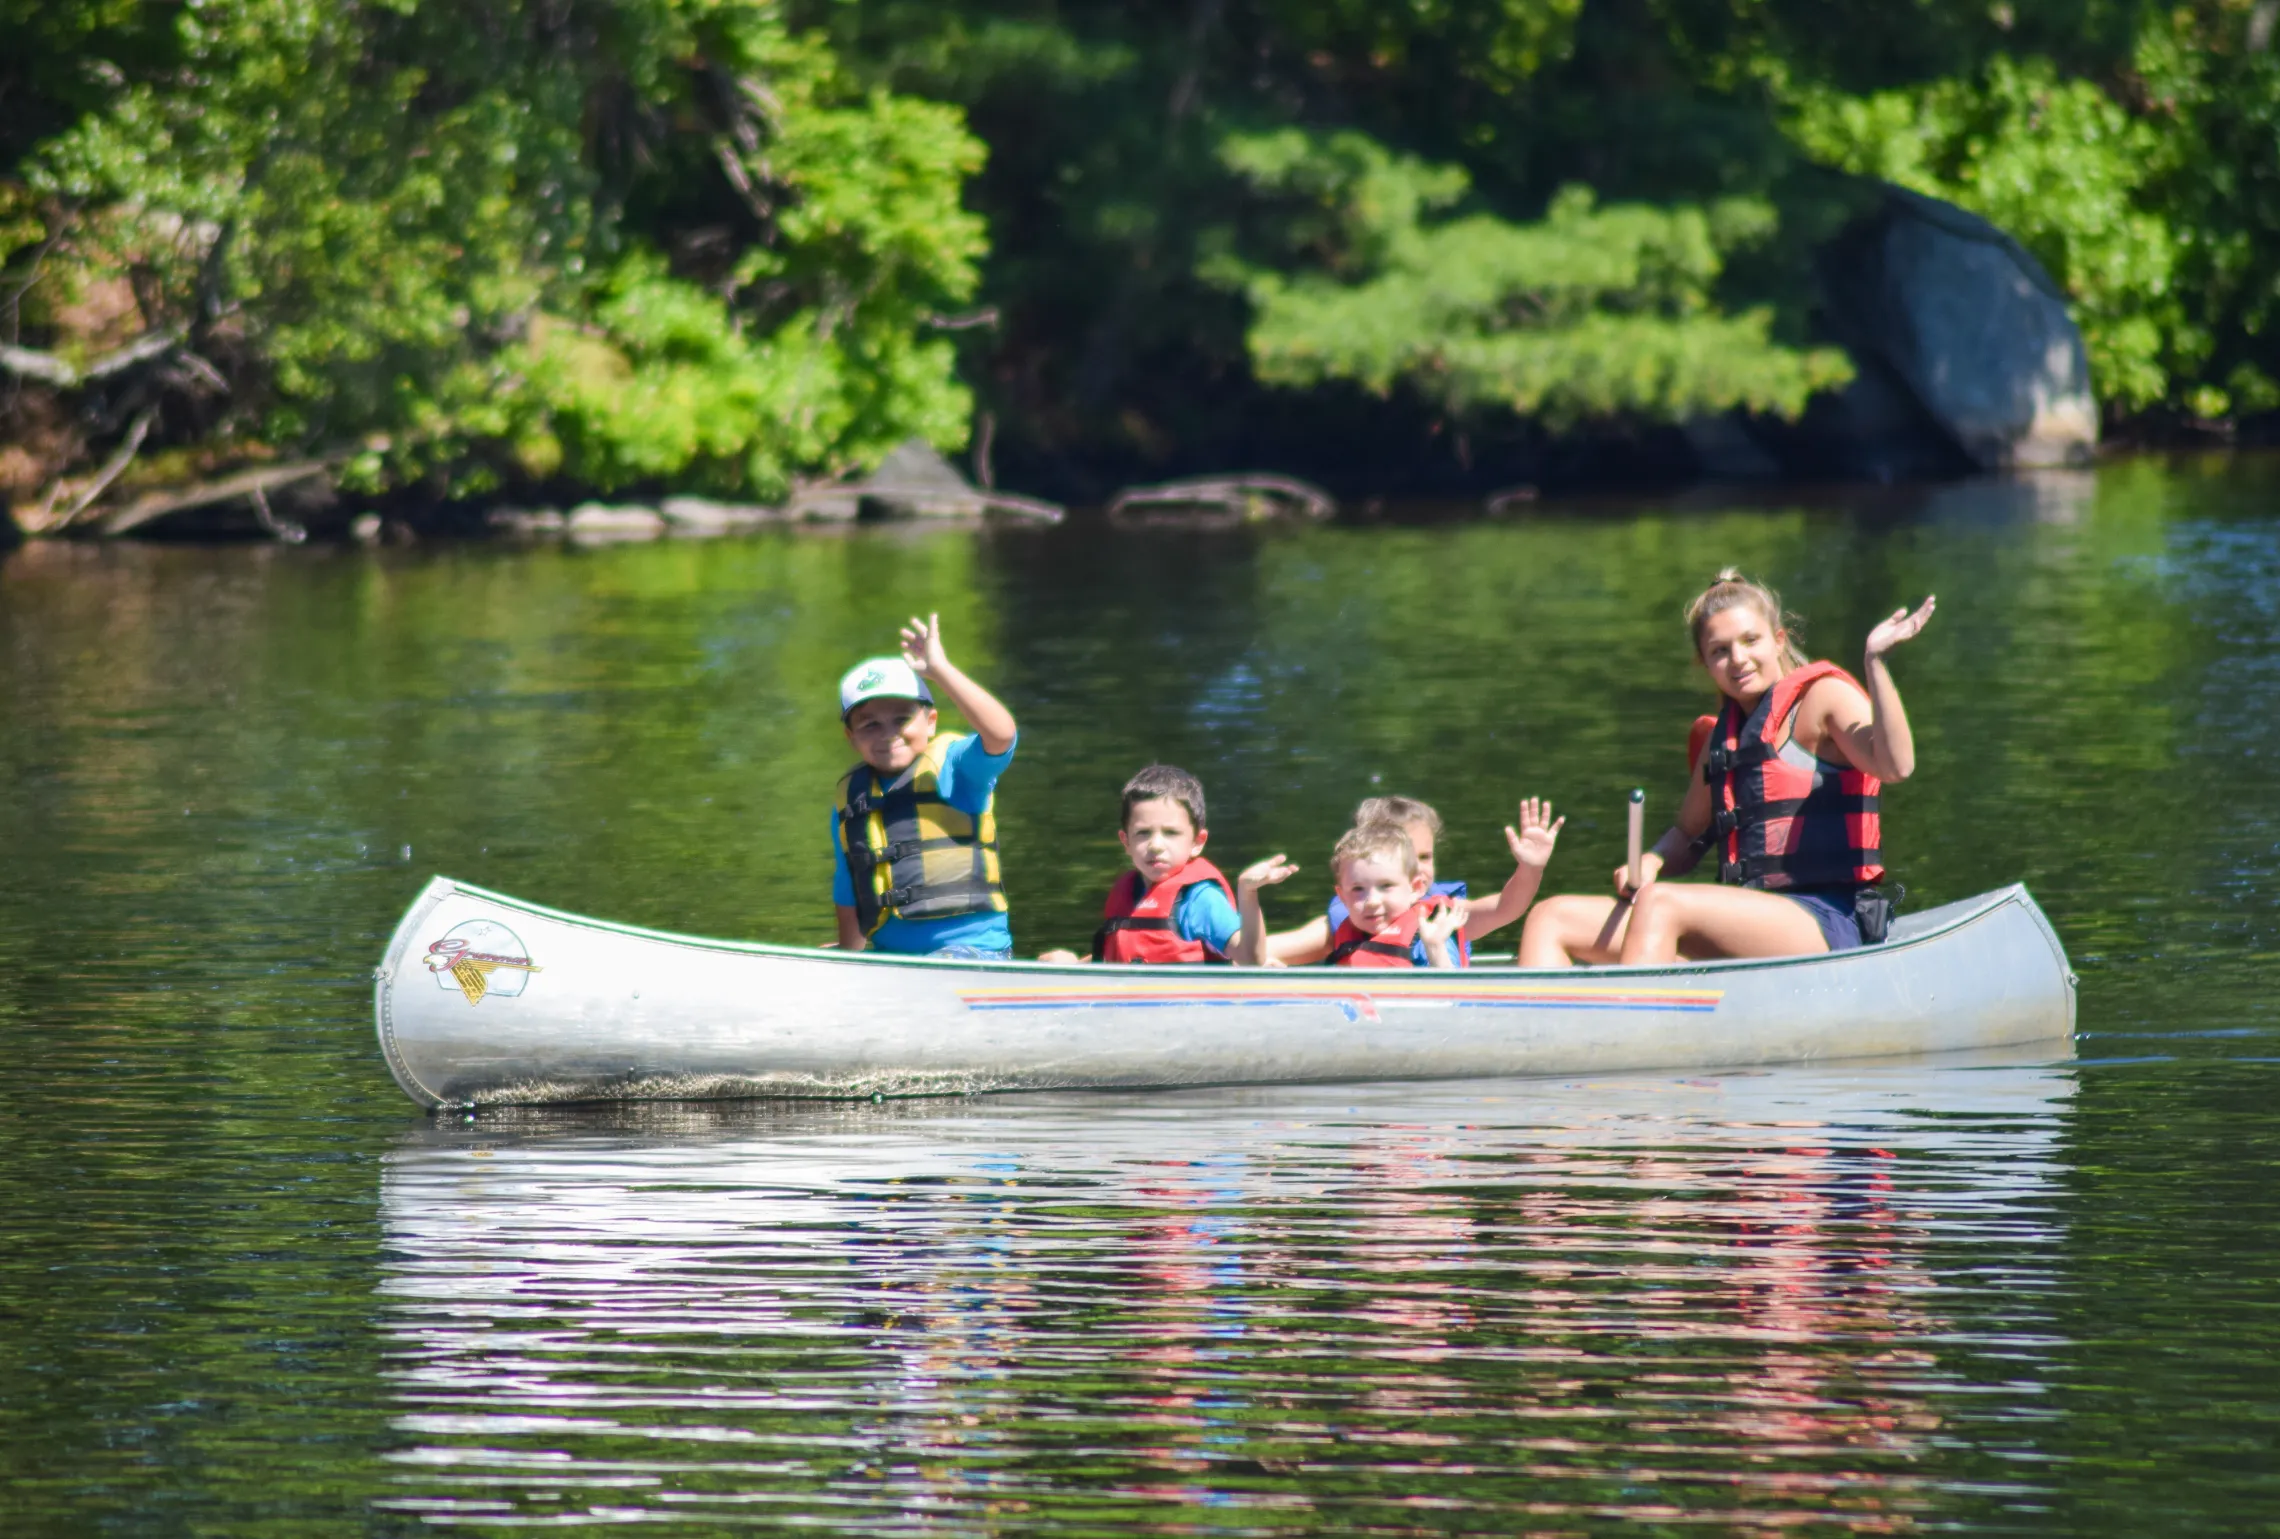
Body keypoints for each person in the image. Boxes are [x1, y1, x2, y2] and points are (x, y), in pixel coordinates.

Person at [1517, 569, 1935, 967]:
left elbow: (1896, 766)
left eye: (1751, 640)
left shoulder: (1823, 697)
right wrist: (1651, 862)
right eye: (1720, 651)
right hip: (1748, 922)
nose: (1738, 659)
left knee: (1660, 903)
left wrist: (1875, 663)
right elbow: (1687, 834)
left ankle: (1633, 1016)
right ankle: (1540, 1020)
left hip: (1829, 917)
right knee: (1551, 917)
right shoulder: (1723, 738)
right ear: (1704, 662)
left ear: (1778, 640)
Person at [832, 614, 1019, 958]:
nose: (889, 734)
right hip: (893, 956)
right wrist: (846, 959)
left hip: (973, 953)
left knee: (945, 962)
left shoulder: (957, 766)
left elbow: (1001, 735)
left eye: (902, 719)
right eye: (870, 725)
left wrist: (941, 671)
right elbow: (848, 888)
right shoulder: (852, 798)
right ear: (850, 736)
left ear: (931, 722)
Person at [1262, 795, 1564, 964]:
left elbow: (1505, 907)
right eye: (1409, 858)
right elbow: (1263, 950)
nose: (1420, 869)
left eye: (1426, 857)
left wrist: (1529, 868)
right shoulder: (1350, 916)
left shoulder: (1444, 915)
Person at [1038, 764, 1241, 964]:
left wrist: (1247, 892)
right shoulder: (1132, 892)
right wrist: (1072, 966)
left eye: (1170, 833)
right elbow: (1118, 959)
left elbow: (1248, 955)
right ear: (1126, 842)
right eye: (1143, 833)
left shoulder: (1200, 899)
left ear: (1197, 842)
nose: (1155, 846)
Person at [1234, 821, 1470, 968]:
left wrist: (1436, 949)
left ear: (1416, 888)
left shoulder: (1428, 936)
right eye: (1358, 889)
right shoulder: (1345, 934)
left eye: (1386, 886)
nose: (1372, 901)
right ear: (1342, 896)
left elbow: (1454, 1005)